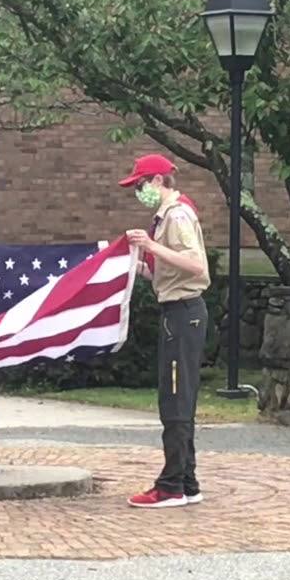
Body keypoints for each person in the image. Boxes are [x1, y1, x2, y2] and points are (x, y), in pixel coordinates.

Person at [118, 153, 211, 508]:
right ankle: (186, 480)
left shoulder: (177, 215)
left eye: (140, 185)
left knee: (175, 400)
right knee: (178, 398)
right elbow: (168, 271)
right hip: (177, 312)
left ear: (158, 181)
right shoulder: (166, 217)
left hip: (183, 313)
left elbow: (196, 266)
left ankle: (171, 484)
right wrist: (138, 264)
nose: (138, 192)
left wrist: (152, 246)